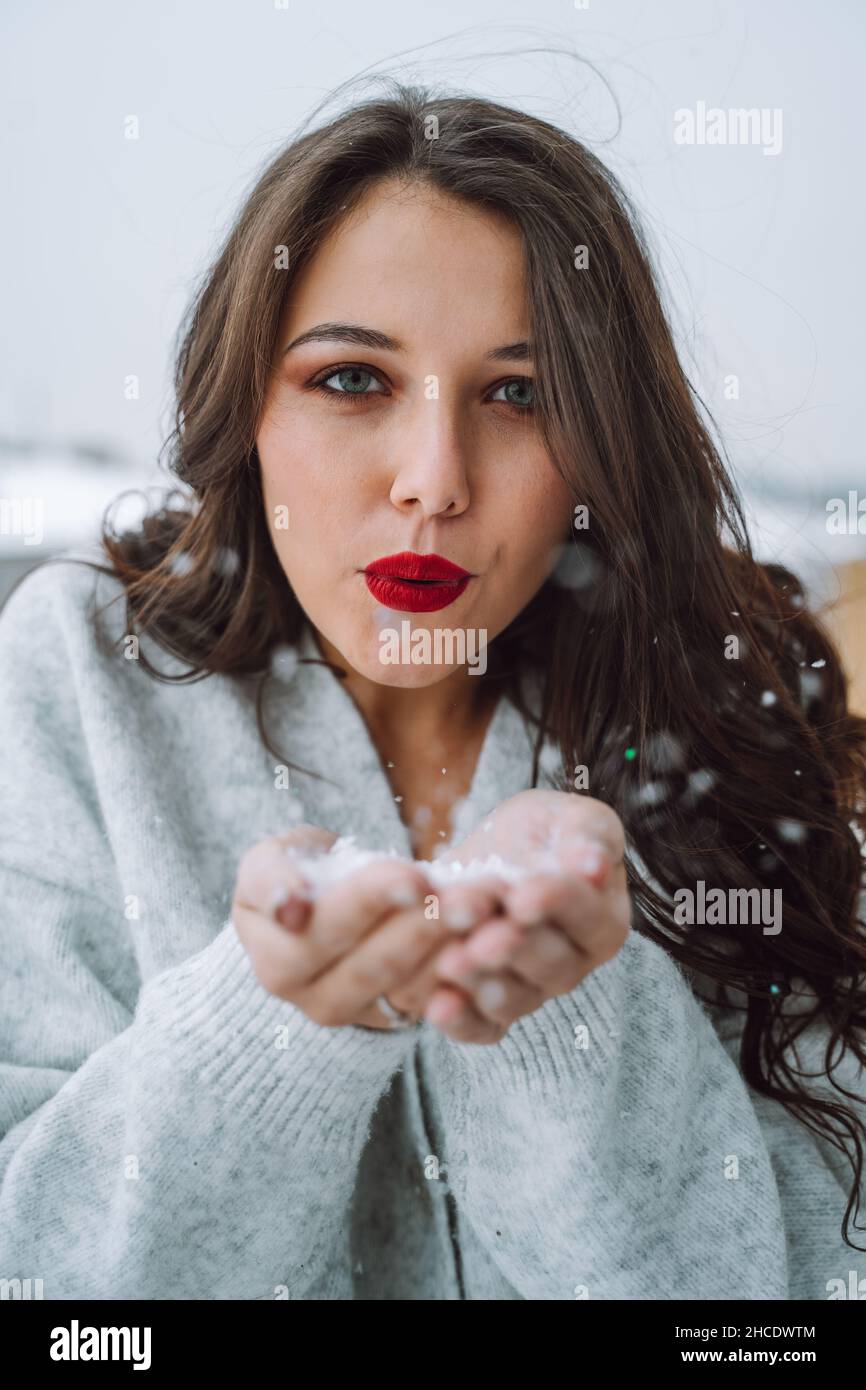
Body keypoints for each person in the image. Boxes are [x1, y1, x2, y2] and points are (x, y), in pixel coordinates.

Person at [1, 83, 865, 1301]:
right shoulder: (80, 676)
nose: (432, 480)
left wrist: (566, 1017)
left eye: (517, 394)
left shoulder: (722, 705)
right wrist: (272, 1024)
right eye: (352, 379)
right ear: (243, 401)